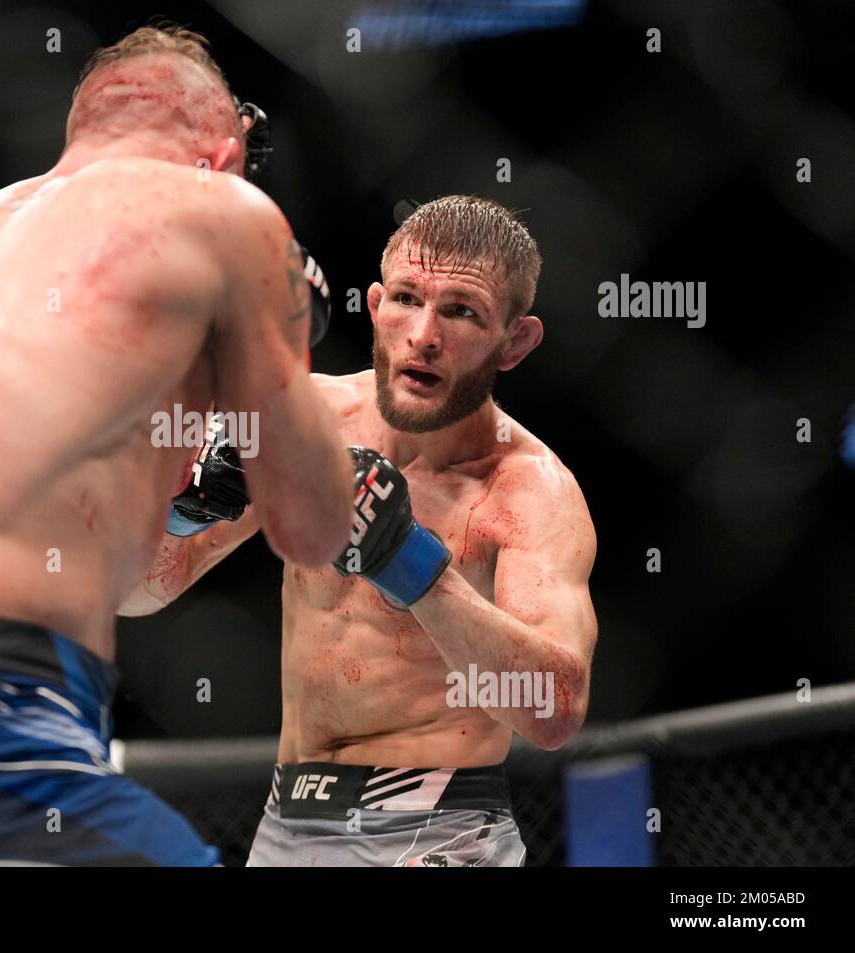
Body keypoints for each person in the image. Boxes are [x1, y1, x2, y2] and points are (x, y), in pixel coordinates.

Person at [0, 23, 353, 867]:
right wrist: (288, 332)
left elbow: (107, 575)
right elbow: (314, 527)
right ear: (225, 150)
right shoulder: (224, 211)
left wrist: (197, 501)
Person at [123, 196, 598, 866]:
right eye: (407, 298)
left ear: (514, 341)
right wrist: (183, 506)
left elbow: (555, 711)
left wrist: (406, 563)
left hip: (436, 833)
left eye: (462, 311)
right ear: (375, 307)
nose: (424, 334)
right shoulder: (304, 420)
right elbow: (138, 595)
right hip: (287, 825)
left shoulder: (528, 492)